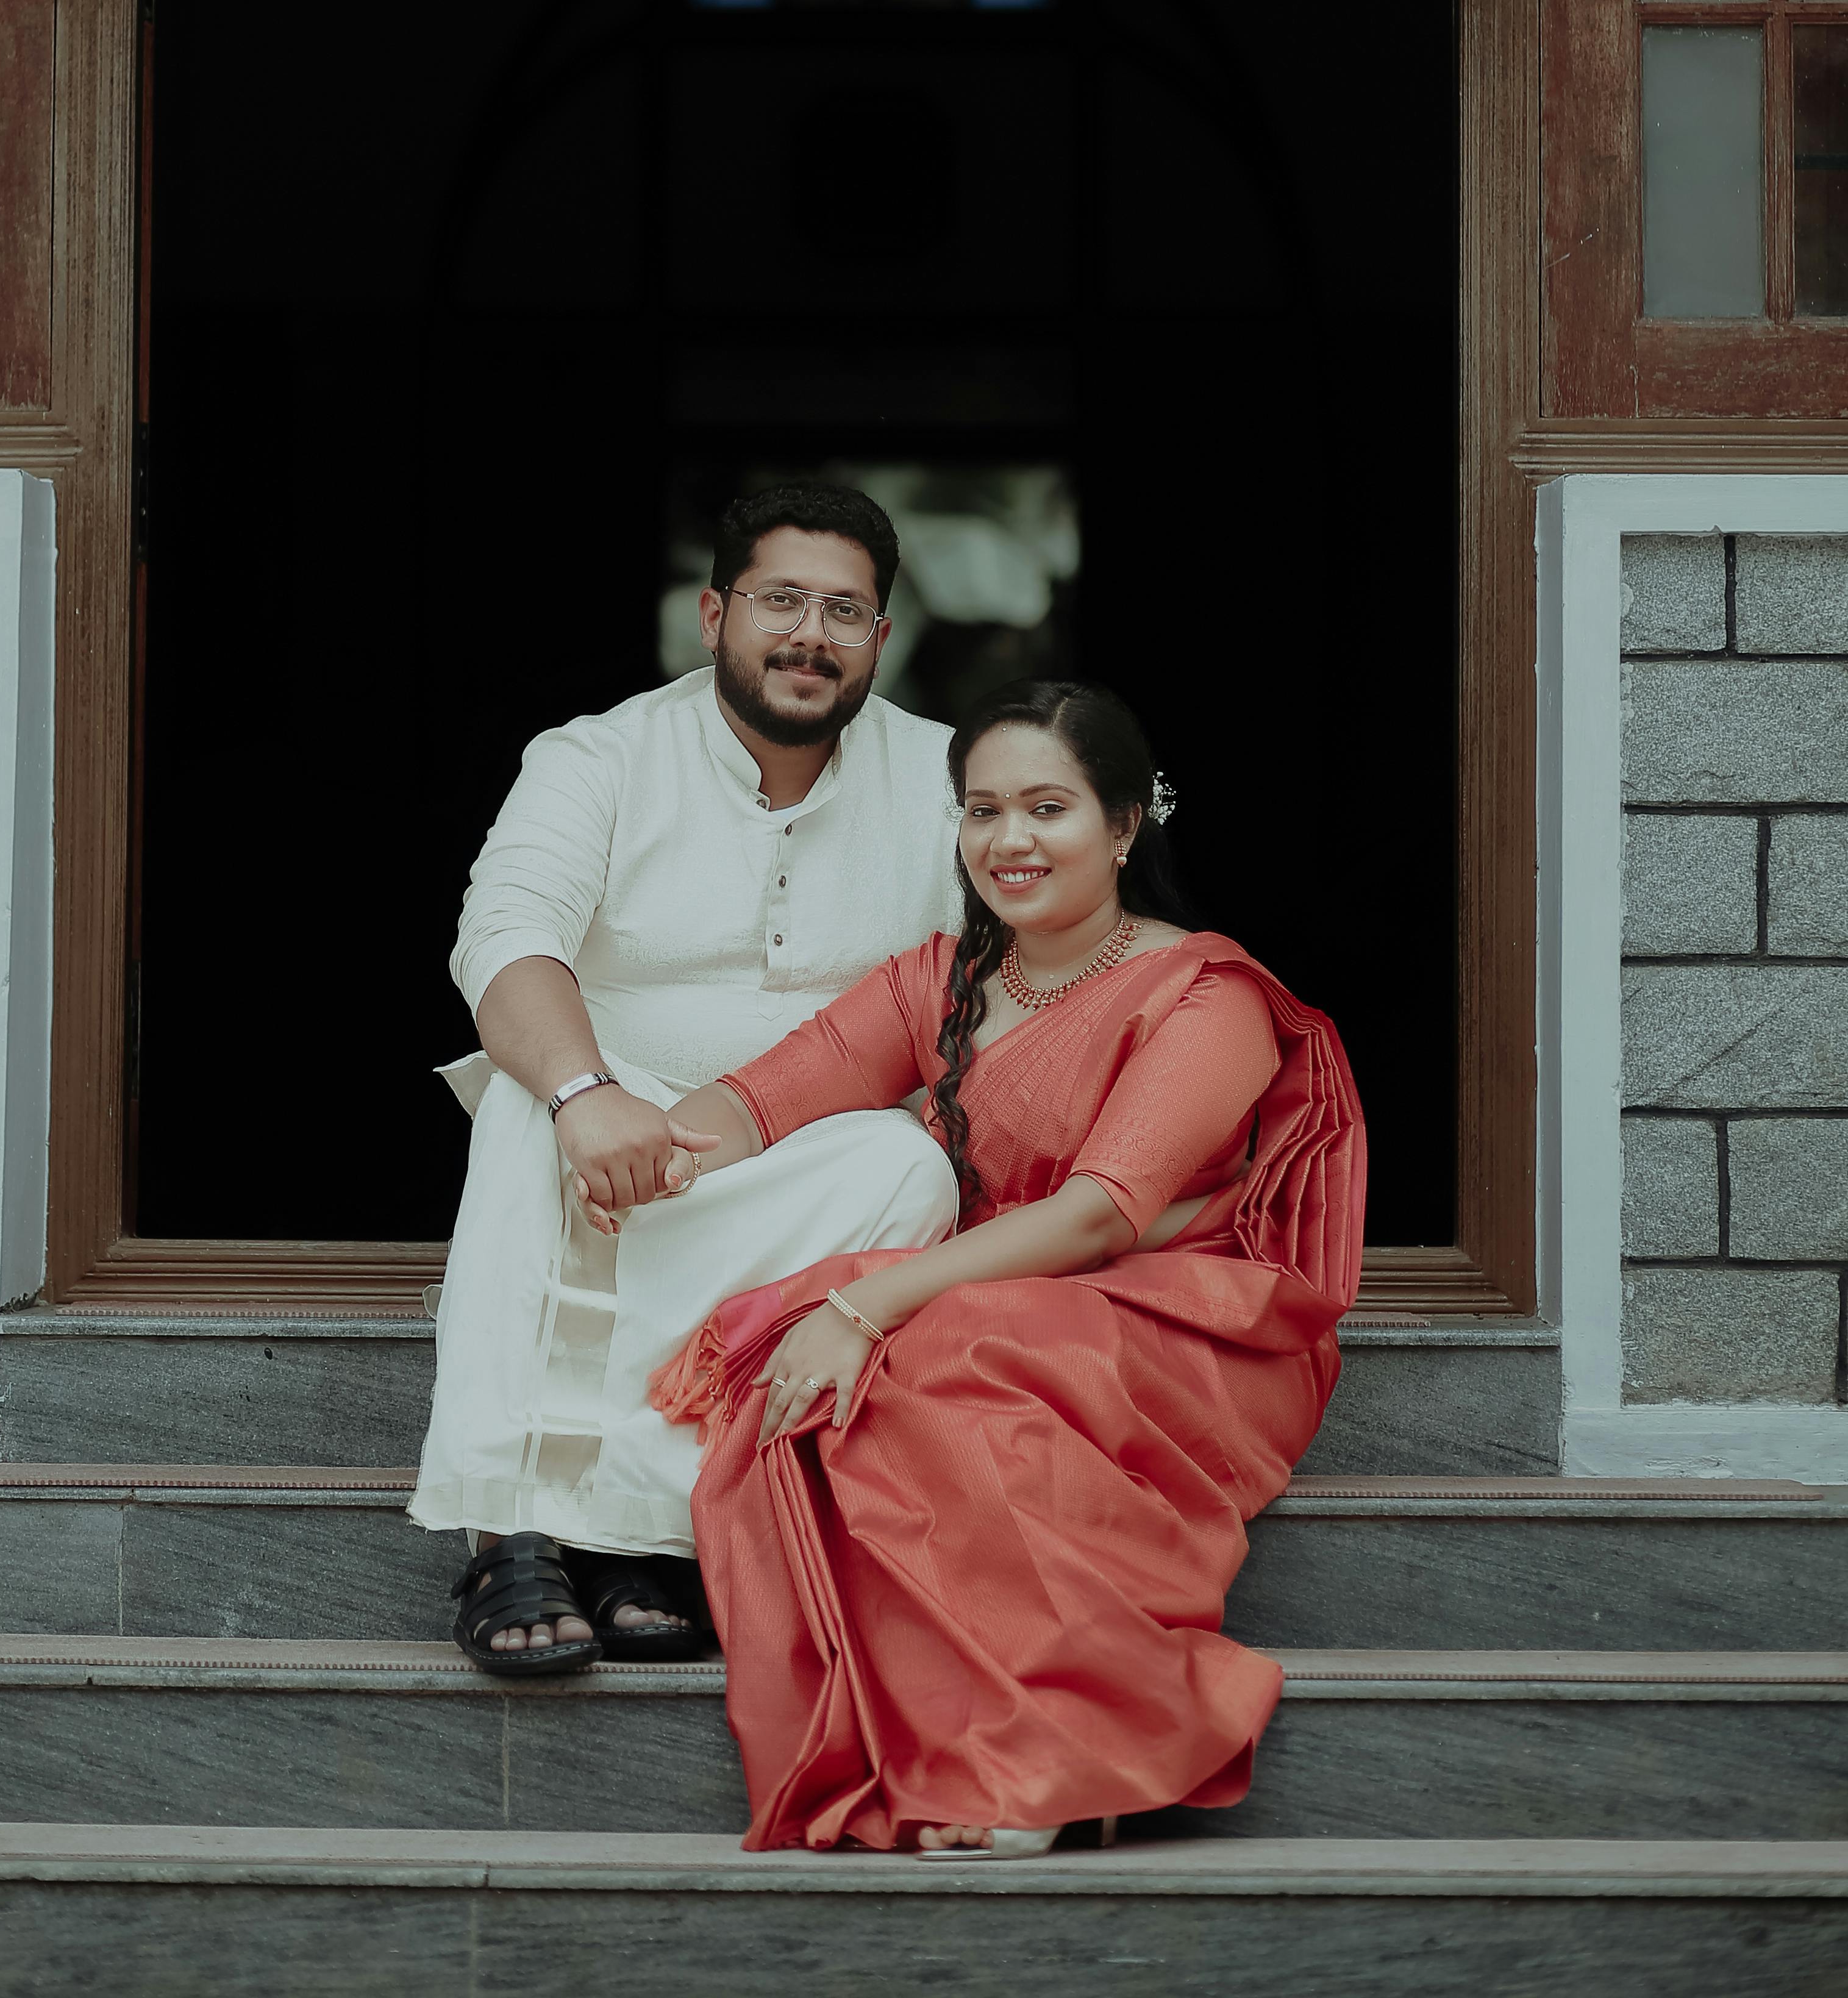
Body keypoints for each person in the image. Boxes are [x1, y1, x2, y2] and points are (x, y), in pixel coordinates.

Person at [646, 678, 1365, 1853]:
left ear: (1126, 824)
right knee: (895, 1366)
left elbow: (1100, 1219)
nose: (1010, 841)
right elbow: (755, 1104)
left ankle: (1059, 1757)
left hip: (1185, 1316)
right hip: (993, 1298)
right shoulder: (942, 979)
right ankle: (970, 1749)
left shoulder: (1204, 992)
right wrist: (603, 1128)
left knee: (936, 1354)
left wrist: (862, 1301)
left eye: (1048, 808)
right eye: (983, 811)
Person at [409, 481, 963, 1671]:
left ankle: (654, 1534)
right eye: (781, 599)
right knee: (516, 1106)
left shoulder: (945, 777)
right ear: (715, 613)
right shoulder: (597, 754)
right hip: (608, 1127)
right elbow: (505, 937)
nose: (811, 632)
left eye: (846, 610)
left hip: (807, 1149)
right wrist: (582, 1089)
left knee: (912, 1164)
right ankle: (520, 1533)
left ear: (883, 632)